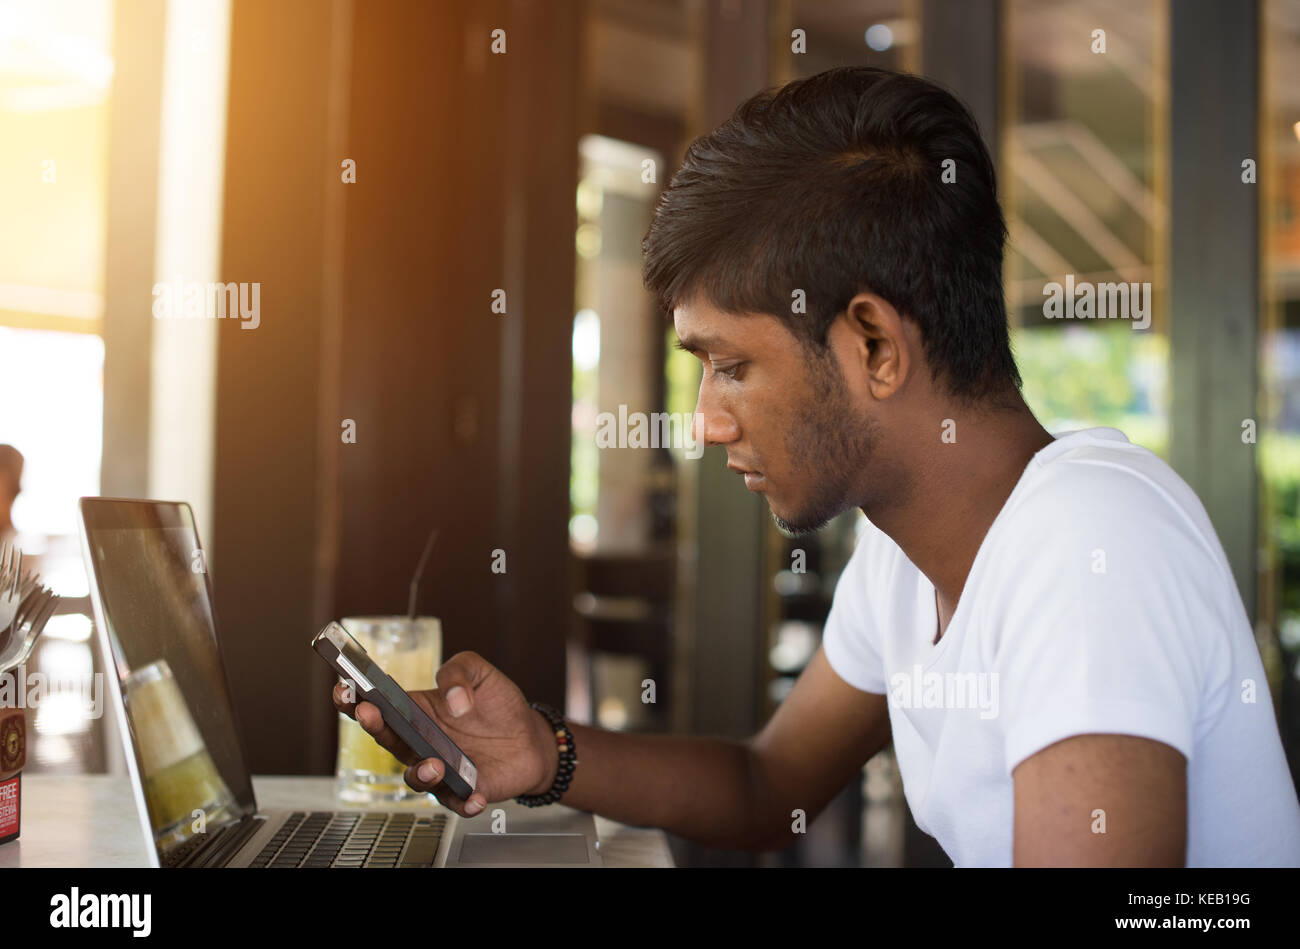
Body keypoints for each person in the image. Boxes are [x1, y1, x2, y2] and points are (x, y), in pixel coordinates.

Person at [334, 67, 1300, 866]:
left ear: (875, 344)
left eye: (732, 366)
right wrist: (545, 754)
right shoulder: (905, 550)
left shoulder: (1090, 545)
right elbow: (769, 788)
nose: (709, 422)